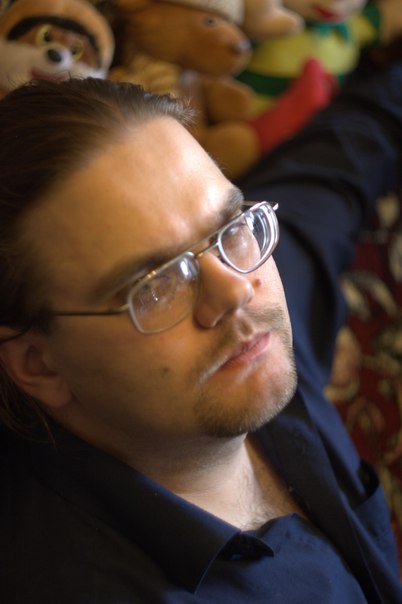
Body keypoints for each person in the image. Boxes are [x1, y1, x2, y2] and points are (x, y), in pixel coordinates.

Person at [0, 58, 401, 604]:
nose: (234, 291)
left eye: (228, 226)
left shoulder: (248, 294)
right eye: (156, 285)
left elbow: (349, 150)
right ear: (39, 364)